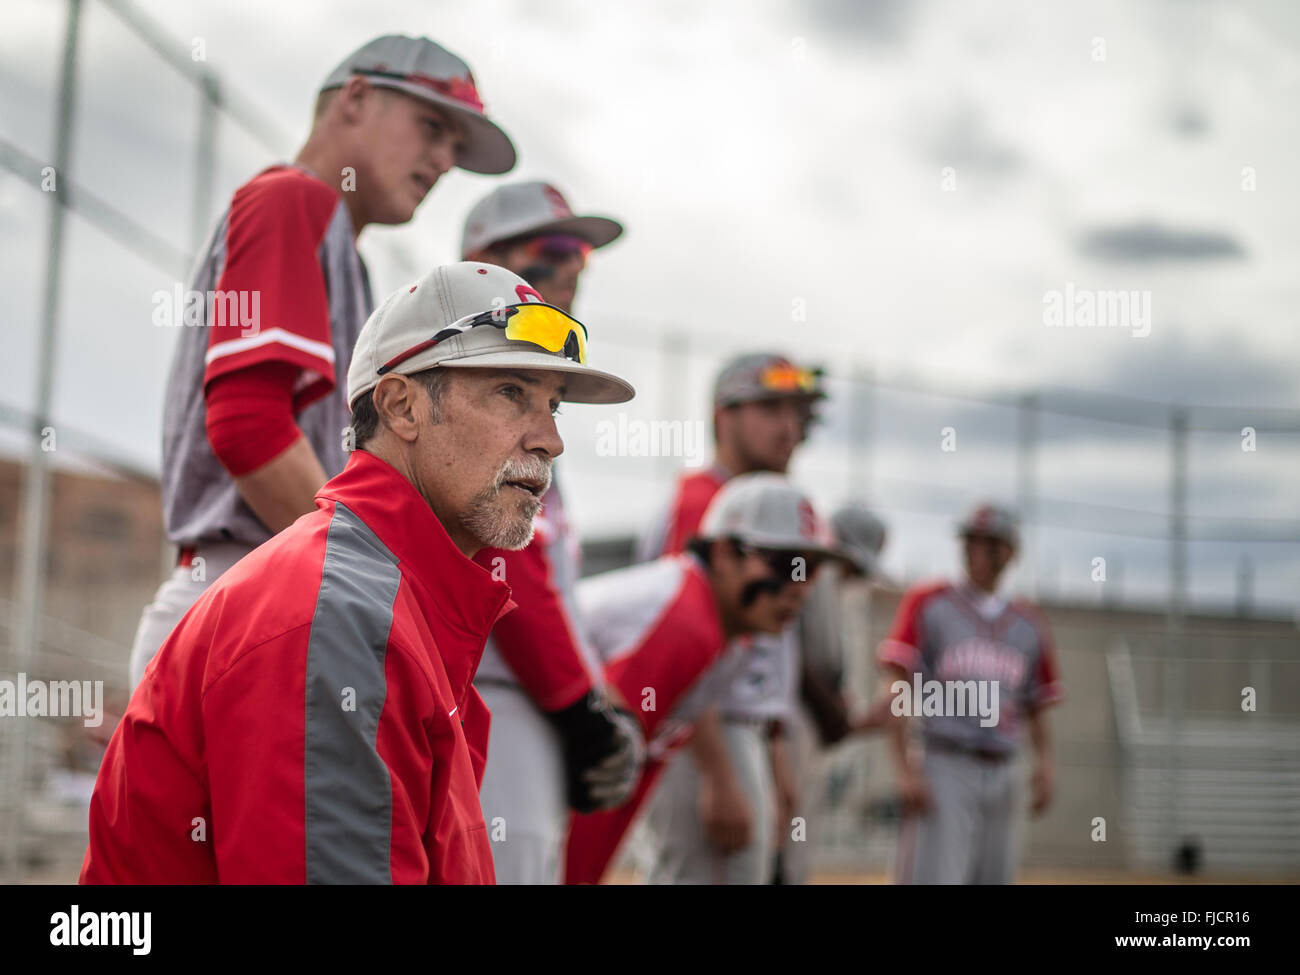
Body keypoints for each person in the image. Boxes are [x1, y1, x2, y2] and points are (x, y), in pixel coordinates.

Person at [81, 261, 634, 884]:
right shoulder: (339, 617)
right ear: (400, 406)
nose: (550, 440)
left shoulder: (398, 601)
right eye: (512, 393)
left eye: (554, 405)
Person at [128, 34, 516, 688]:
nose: (445, 159)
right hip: (250, 591)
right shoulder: (292, 199)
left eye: (456, 146)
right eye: (431, 126)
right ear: (356, 98)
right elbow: (248, 428)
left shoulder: (345, 249)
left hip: (272, 585)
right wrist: (372, 584)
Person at [454, 182, 637, 883]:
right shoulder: (469, 389)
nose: (573, 270)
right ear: (483, 260)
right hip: (496, 690)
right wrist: (579, 707)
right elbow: (513, 571)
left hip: (521, 699)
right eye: (555, 249)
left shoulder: (528, 408)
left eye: (583, 255)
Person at [564, 473, 852, 884]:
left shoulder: (724, 630)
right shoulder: (687, 623)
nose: (799, 589)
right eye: (787, 565)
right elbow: (596, 764)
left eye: (812, 571)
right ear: (723, 553)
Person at [635, 352, 830, 884]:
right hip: (704, 737)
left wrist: (774, 760)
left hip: (743, 732)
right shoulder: (707, 502)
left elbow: (759, 658)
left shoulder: (761, 505)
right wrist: (717, 773)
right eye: (770, 408)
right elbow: (683, 653)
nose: (789, 427)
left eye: (796, 412)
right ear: (723, 416)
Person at [879, 503, 1064, 885]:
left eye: (990, 542)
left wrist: (1045, 764)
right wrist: (902, 768)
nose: (978, 550)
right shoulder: (930, 601)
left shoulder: (1029, 622)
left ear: (1011, 550)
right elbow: (896, 684)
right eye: (972, 541)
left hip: (1004, 766)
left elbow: (1037, 704)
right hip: (945, 760)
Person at [776, 502, 891, 884]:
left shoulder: (826, 581)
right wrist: (844, 721)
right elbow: (798, 664)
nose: (854, 577)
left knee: (790, 849)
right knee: (784, 850)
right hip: (791, 723)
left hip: (800, 726)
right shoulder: (818, 574)